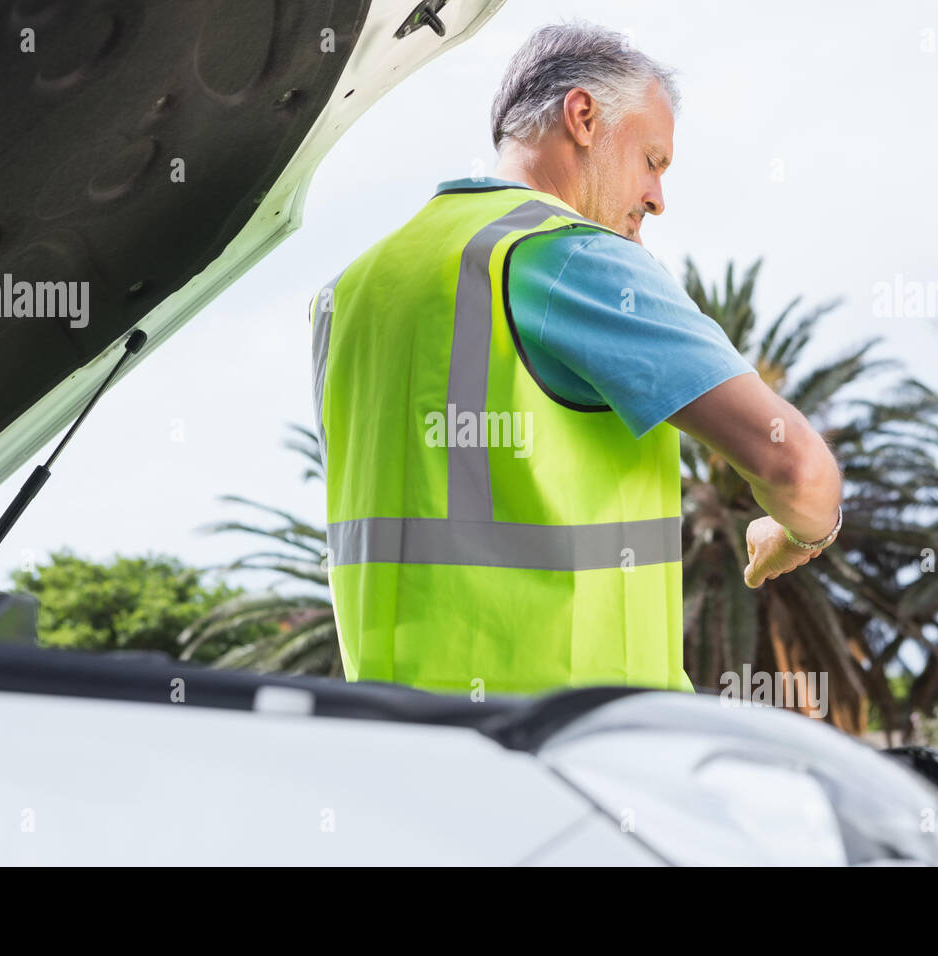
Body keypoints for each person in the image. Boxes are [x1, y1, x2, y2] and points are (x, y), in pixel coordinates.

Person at [309, 22, 843, 695]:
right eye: (652, 160)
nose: (656, 198)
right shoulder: (574, 259)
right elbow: (797, 469)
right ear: (583, 116)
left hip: (405, 748)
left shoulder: (347, 292)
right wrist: (804, 536)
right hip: (577, 750)